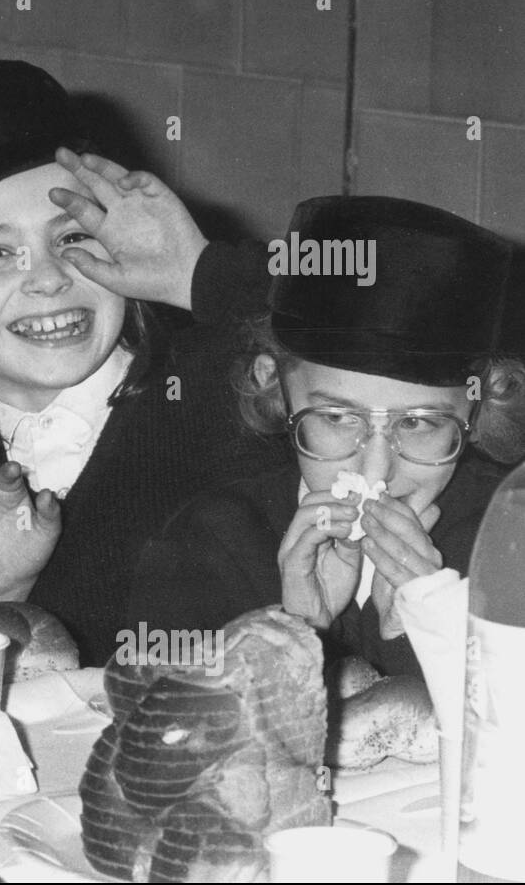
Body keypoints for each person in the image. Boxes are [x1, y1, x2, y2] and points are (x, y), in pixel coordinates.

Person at [0, 60, 285, 662]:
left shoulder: (217, 386)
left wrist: (201, 273)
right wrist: (1, 592)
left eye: (72, 237)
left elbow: (404, 320)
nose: (48, 279)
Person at [127, 196, 525, 675]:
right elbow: (157, 718)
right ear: (276, 389)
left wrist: (426, 633)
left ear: (480, 409)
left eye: (418, 423)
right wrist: (295, 630)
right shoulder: (214, 536)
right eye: (337, 417)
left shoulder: (509, 543)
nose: (376, 471)